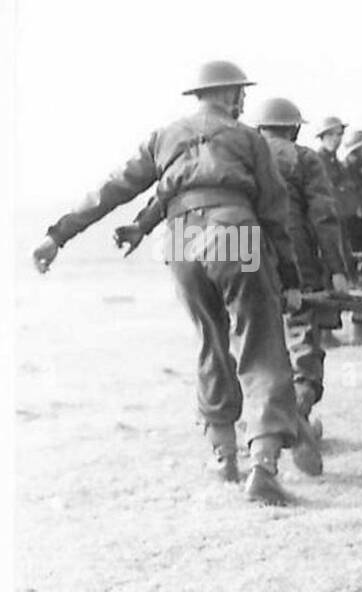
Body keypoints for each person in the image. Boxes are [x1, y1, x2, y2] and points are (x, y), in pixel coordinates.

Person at [31, 60, 304, 505]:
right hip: (236, 229)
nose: (242, 102)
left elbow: (113, 187)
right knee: (261, 342)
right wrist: (290, 277)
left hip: (181, 239)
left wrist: (57, 235)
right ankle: (265, 465)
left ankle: (224, 456)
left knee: (209, 341)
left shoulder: (164, 136)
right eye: (241, 95)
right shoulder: (249, 138)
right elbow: (275, 210)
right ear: (232, 94)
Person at [253, 97, 353, 474]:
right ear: (294, 128)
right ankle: (298, 413)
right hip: (299, 264)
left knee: (257, 349)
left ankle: (263, 432)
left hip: (250, 259)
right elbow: (324, 217)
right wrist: (338, 269)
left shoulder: (244, 155)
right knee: (304, 349)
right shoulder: (305, 159)